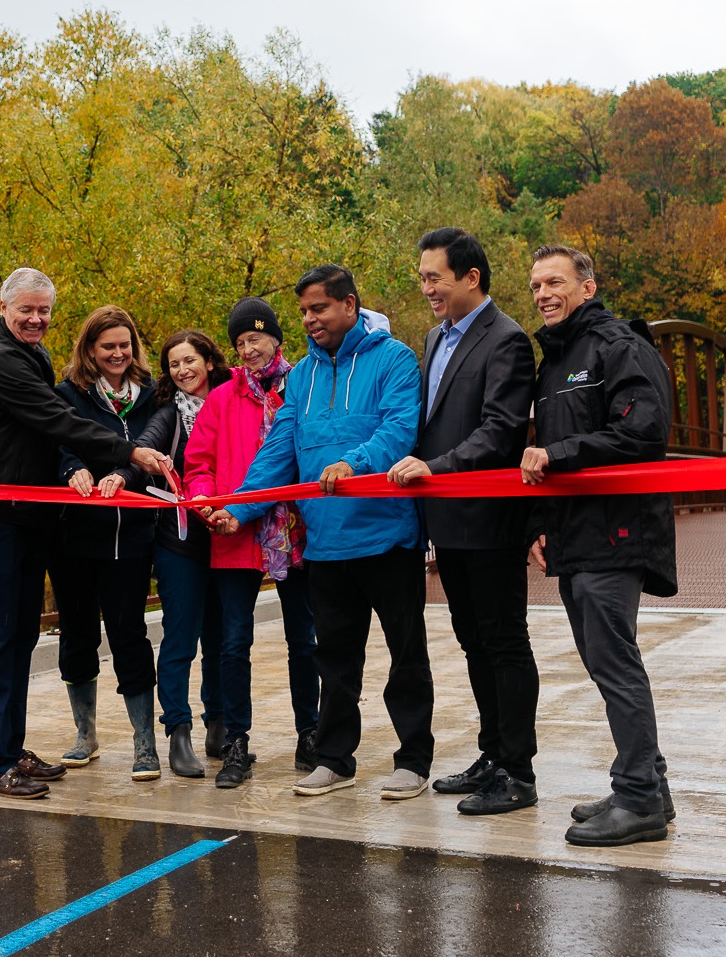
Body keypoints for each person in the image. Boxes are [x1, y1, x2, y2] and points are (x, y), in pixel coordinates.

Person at [209, 265, 434, 800]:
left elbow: (399, 430)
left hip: (389, 538)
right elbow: (280, 449)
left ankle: (413, 760)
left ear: (350, 306)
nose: (309, 320)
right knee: (333, 659)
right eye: (304, 312)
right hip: (326, 545)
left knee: (406, 653)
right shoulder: (302, 377)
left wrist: (353, 463)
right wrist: (241, 508)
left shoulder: (394, 359)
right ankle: (334, 758)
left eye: (319, 308)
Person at [0, 269, 168, 800]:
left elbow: (50, 437)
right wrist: (128, 451)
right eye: (26, 309)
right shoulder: (0, 360)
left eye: (44, 310)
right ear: (3, 308)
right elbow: (55, 419)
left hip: (29, 519)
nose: (35, 319)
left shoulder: (36, 356)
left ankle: (11, 748)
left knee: (21, 637)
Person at [520, 244, 679, 847]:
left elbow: (643, 430)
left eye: (554, 282)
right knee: (603, 663)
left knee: (615, 665)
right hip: (575, 534)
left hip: (617, 532)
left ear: (588, 287)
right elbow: (550, 451)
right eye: (535, 285)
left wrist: (557, 456)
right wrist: (541, 523)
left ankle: (638, 799)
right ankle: (649, 786)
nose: (542, 294)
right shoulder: (557, 360)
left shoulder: (620, 346)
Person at [389, 227, 539, 816]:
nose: (427, 288)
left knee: (504, 643)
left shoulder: (506, 340)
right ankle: (491, 755)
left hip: (489, 520)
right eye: (422, 277)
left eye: (435, 277)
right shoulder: (435, 337)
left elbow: (500, 431)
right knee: (474, 643)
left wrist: (435, 467)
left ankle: (518, 773)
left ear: (470, 277)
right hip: (447, 521)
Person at [185, 297, 321, 790]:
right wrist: (203, 499)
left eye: (256, 339)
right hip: (235, 534)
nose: (248, 350)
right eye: (240, 342)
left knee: (303, 641)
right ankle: (236, 741)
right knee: (233, 643)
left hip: (297, 534)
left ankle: (310, 732)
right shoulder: (222, 398)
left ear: (277, 341)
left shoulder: (305, 387)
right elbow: (198, 464)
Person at [52, 305, 163, 781]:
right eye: (107, 346)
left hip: (131, 537)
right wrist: (69, 468)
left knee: (129, 634)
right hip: (74, 536)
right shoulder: (67, 393)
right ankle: (85, 734)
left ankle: (144, 744)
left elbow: (154, 447)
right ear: (90, 351)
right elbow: (57, 441)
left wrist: (123, 473)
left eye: (124, 345)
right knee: (77, 633)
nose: (118, 353)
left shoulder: (153, 396)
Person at [124, 329, 231, 777]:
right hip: (179, 544)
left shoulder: (235, 404)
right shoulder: (169, 415)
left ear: (209, 361)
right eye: (173, 365)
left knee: (224, 642)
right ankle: (178, 733)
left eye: (190, 360)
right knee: (181, 640)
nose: (183, 370)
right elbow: (145, 444)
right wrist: (135, 460)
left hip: (230, 539)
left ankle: (219, 724)